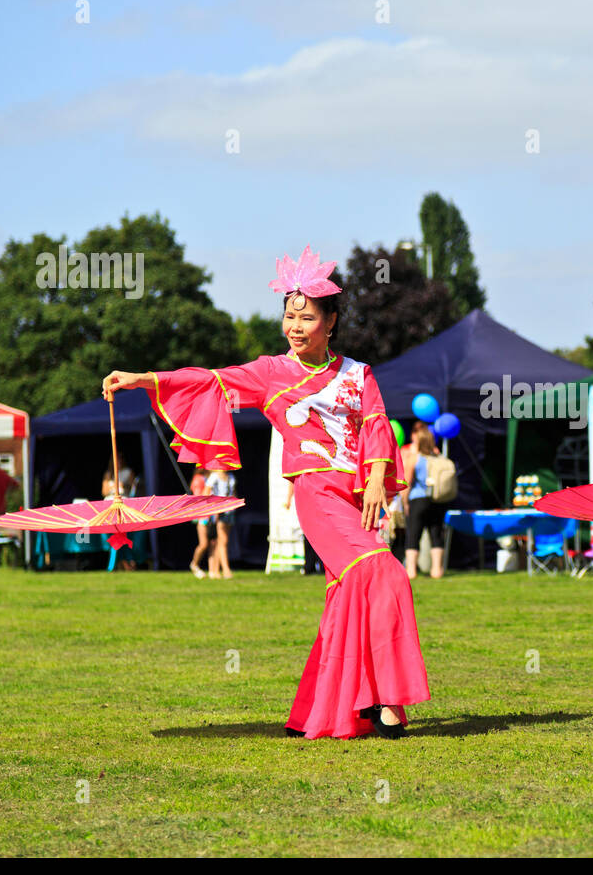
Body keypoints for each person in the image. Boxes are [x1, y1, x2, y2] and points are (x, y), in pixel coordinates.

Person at [102, 245, 430, 740]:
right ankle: (388, 701)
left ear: (331, 321)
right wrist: (143, 378)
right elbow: (210, 380)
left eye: (306, 317)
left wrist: (379, 480)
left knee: (347, 596)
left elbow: (377, 425)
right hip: (317, 494)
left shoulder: (358, 373)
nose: (295, 326)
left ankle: (327, 713)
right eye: (289, 316)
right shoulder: (272, 373)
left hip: (359, 494)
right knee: (386, 574)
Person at [401, 421, 447, 579]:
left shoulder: (414, 458)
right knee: (436, 535)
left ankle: (411, 571)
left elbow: (406, 483)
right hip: (437, 499)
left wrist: (405, 502)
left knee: (413, 535)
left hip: (418, 499)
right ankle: (437, 570)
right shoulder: (438, 456)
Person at [206, 467, 236, 580]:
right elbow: (206, 493)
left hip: (230, 511)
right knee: (222, 541)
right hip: (219, 511)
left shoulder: (231, 476)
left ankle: (215, 570)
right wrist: (212, 509)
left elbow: (233, 492)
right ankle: (226, 569)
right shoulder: (214, 476)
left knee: (222, 541)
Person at [189, 466, 214, 579]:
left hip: (211, 515)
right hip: (202, 515)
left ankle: (213, 569)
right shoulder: (199, 479)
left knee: (212, 544)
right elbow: (199, 497)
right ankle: (194, 564)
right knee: (203, 543)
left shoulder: (208, 478)